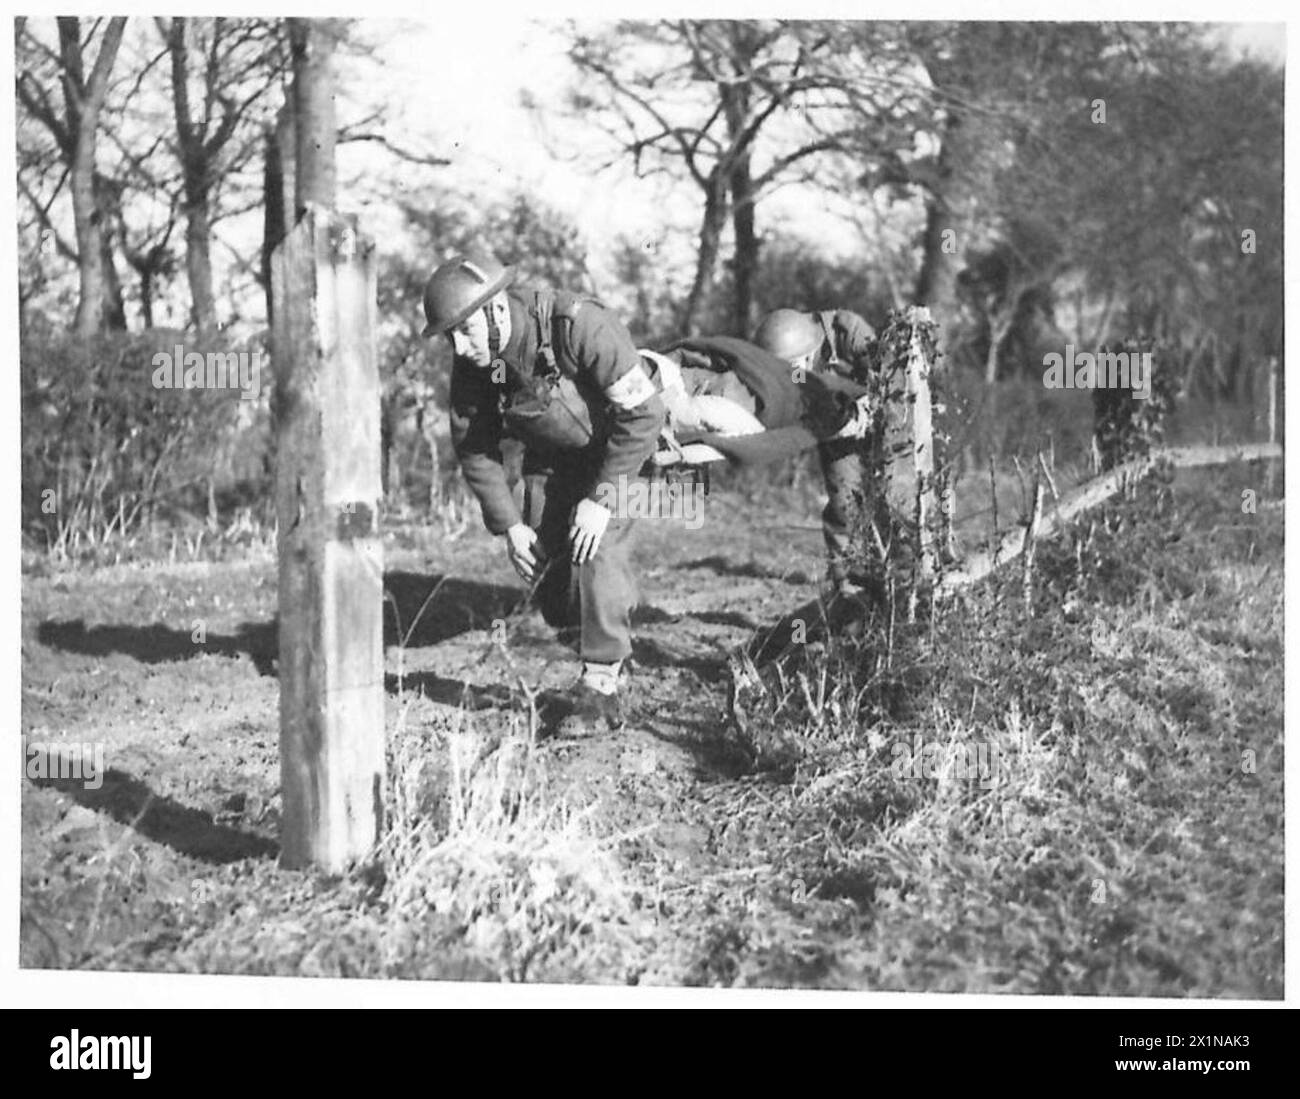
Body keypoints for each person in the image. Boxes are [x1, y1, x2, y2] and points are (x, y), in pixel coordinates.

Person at [422, 251, 666, 736]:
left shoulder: (577, 325)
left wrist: (600, 499)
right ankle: (606, 648)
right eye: (448, 335)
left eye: (463, 330)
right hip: (553, 463)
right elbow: (474, 446)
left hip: (622, 453)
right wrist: (510, 525)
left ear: (495, 309)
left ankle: (601, 686)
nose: (458, 345)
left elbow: (642, 416)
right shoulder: (476, 363)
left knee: (595, 549)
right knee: (548, 579)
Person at [752, 307, 907, 595]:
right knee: (844, 504)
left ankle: (905, 581)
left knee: (897, 500)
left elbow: (895, 380)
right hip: (836, 426)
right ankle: (847, 588)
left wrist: (868, 411)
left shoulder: (848, 331)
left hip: (886, 419)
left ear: (810, 350)